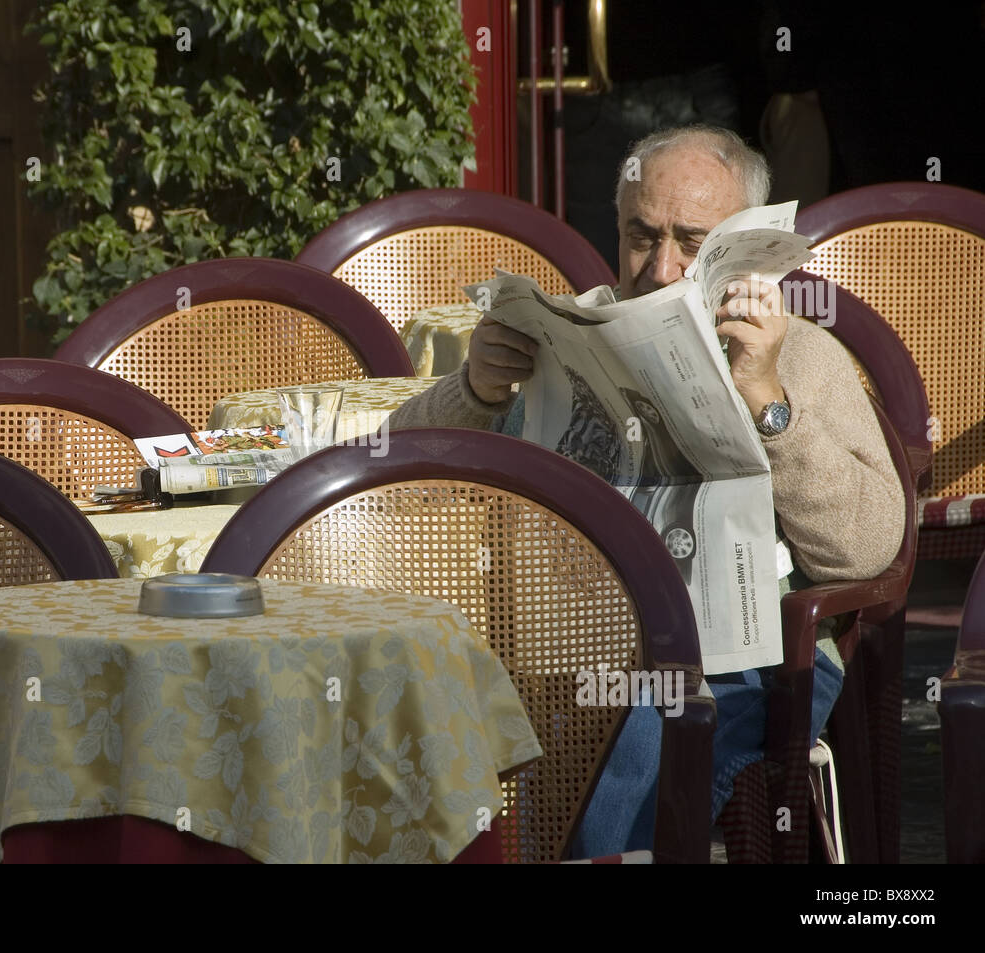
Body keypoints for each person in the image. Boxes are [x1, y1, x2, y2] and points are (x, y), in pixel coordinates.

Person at [384, 123, 905, 855]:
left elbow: (870, 547)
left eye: (692, 242)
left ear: (744, 245)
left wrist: (768, 403)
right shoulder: (566, 331)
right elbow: (401, 473)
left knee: (635, 719)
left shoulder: (800, 353)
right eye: (641, 235)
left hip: (743, 659)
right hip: (560, 647)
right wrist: (473, 389)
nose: (662, 269)